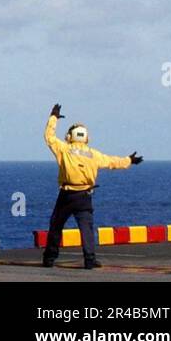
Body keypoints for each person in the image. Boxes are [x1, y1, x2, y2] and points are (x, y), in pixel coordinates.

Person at [41, 103, 143, 269]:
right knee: (86, 228)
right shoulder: (94, 155)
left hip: (66, 195)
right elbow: (112, 162)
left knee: (56, 226)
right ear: (86, 138)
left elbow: (49, 137)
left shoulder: (64, 150)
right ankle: (89, 259)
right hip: (84, 196)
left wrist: (53, 117)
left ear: (69, 136)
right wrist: (129, 160)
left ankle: (49, 258)